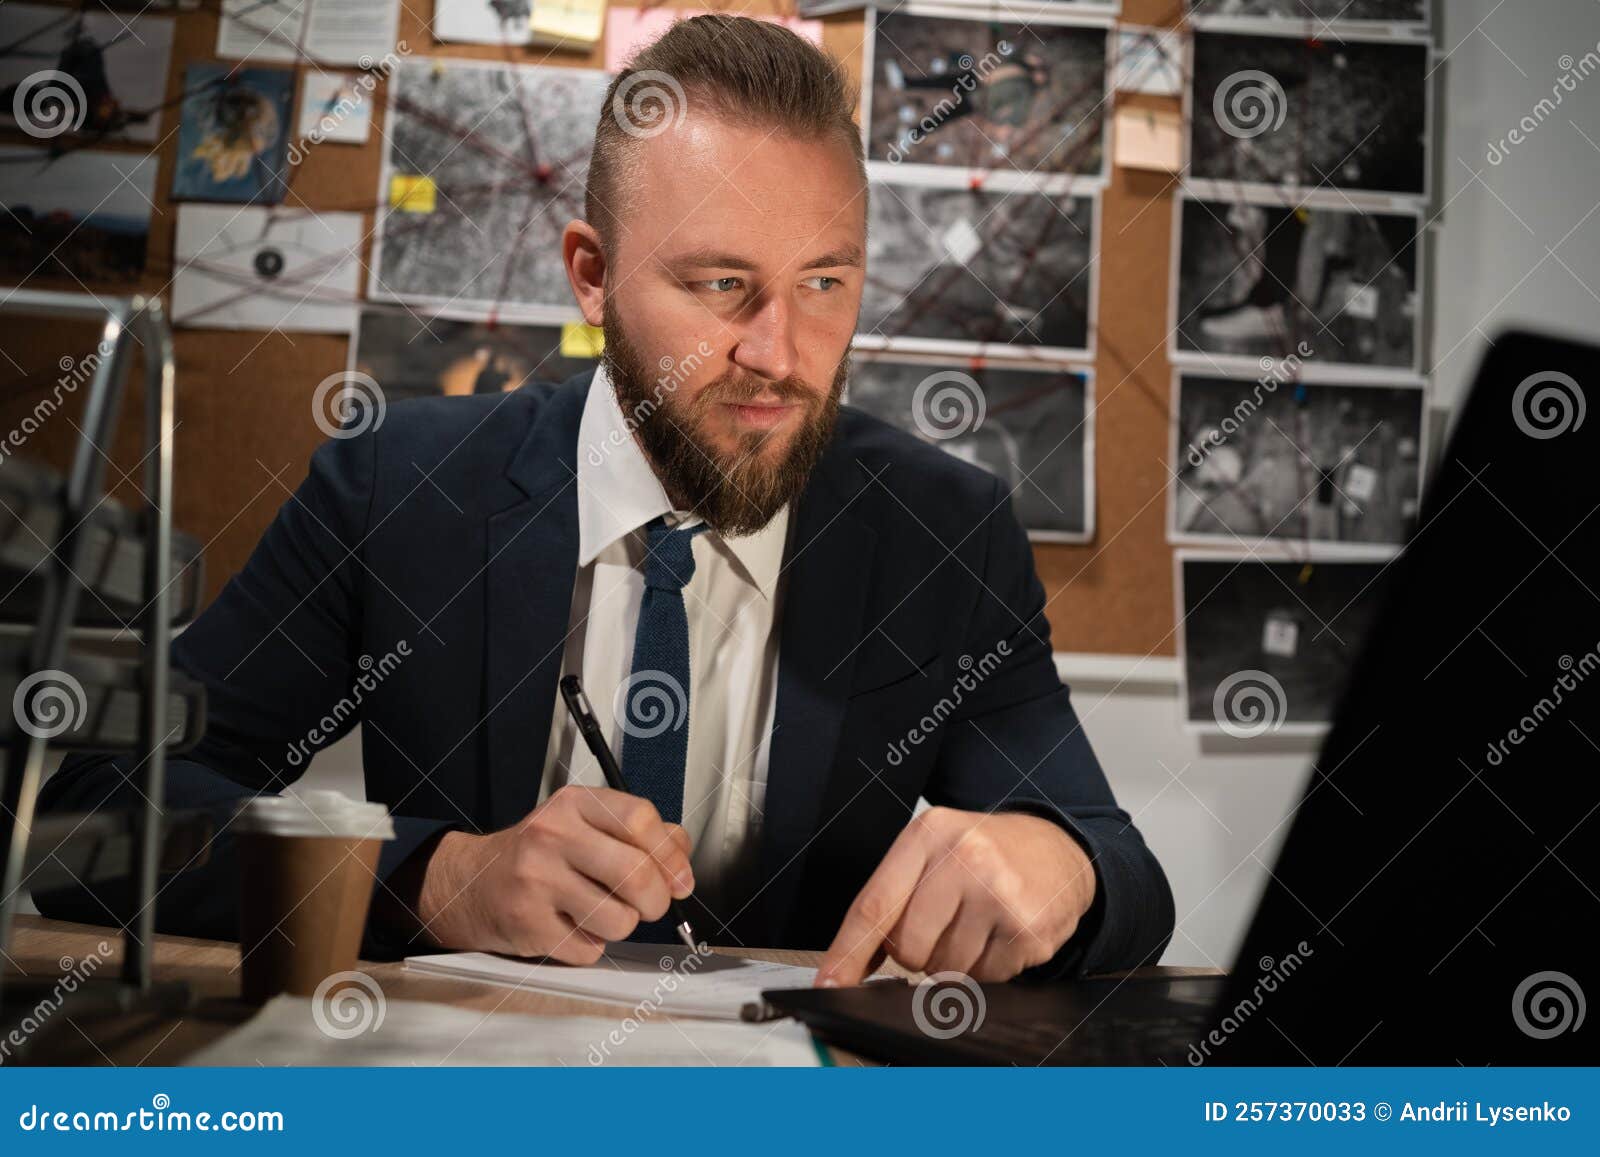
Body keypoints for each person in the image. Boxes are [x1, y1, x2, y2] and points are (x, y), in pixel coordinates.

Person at [35, 16, 1173, 986]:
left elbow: (1120, 870)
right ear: (590, 273)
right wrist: (436, 879)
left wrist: (1056, 864)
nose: (779, 353)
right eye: (720, 284)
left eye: (825, 281)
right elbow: (100, 807)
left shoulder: (946, 533)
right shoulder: (396, 484)